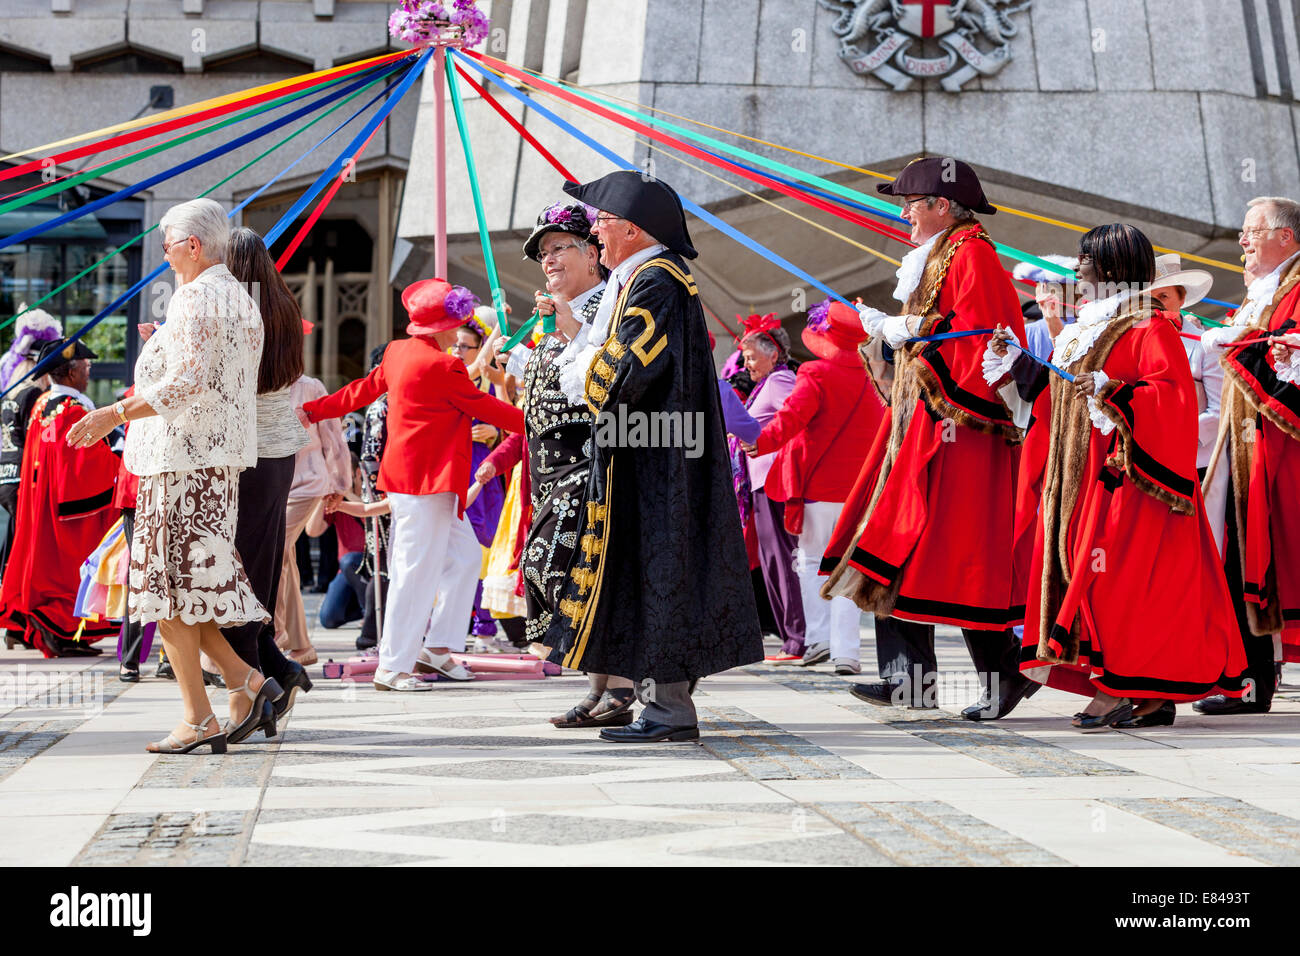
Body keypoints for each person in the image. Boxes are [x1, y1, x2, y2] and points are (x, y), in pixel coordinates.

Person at [989, 224, 1247, 730]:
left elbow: (1171, 399)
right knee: (1086, 578)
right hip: (1076, 476)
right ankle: (1133, 691)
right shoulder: (1092, 325)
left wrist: (1117, 394)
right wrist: (1020, 364)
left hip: (1125, 478)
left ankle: (1125, 688)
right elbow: (1063, 397)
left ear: (1108, 266)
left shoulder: (1146, 325)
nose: (1077, 269)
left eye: (1085, 260)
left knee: (1118, 585)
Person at [538, 170, 764, 743]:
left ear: (633, 229)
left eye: (602, 223)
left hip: (660, 455)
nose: (597, 232)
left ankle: (668, 711)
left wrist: (583, 370)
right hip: (647, 449)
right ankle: (652, 704)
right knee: (648, 572)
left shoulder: (657, 280)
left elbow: (625, 370)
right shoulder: (642, 276)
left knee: (665, 570)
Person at [820, 157, 1036, 720]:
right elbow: (947, 330)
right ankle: (906, 678)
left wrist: (912, 335)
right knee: (900, 542)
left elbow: (987, 341)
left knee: (955, 553)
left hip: (958, 429)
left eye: (911, 203)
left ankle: (1002, 669)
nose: (903, 214)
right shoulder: (945, 253)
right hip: (922, 423)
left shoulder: (973, 254)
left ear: (941, 206)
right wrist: (895, 334)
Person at [65, 198, 277, 754]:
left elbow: (190, 384)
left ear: (193, 245)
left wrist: (114, 412)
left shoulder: (200, 296)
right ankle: (246, 682)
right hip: (204, 462)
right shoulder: (234, 296)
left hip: (183, 462)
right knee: (184, 596)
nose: (162, 255)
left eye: (166, 244)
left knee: (163, 595)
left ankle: (201, 715)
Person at [298, 278, 525, 691]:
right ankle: (394, 665)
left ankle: (435, 649)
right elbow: (488, 407)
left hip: (413, 481)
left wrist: (313, 410)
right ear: (441, 327)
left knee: (463, 559)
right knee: (414, 573)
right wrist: (544, 422)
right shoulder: (443, 365)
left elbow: (359, 392)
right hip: (428, 485)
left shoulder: (398, 353)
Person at [484, 200, 627, 725]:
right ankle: (601, 687)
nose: (548, 260)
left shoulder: (606, 310)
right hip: (547, 473)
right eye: (542, 252)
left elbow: (608, 377)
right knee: (565, 573)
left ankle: (624, 684)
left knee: (570, 569)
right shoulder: (552, 318)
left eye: (559, 248)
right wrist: (515, 360)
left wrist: (571, 331)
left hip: (588, 468)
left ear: (593, 255)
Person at [1196, 196, 1300, 715]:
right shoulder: (1266, 289)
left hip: (1280, 448)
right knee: (1242, 559)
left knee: (1262, 559)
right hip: (1247, 444)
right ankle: (1249, 679)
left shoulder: (1297, 286)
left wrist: (1253, 345)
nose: (1241, 240)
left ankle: (1253, 681)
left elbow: (1290, 353)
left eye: (1251, 231)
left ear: (1286, 236)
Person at [741, 299, 884, 675]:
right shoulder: (874, 375)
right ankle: (846, 653)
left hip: (818, 487)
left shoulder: (816, 373)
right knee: (848, 567)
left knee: (811, 562)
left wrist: (760, 442)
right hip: (859, 491)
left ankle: (818, 639)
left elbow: (791, 418)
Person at [221, 226, 314, 719]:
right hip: (278, 449)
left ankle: (252, 684)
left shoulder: (237, 307)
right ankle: (275, 666)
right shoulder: (283, 305)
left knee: (236, 572)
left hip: (245, 449)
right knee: (258, 562)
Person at [0, 339, 121, 657]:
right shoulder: (72, 411)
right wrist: (123, 468)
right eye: (85, 367)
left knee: (40, 566)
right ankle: (60, 632)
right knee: (63, 572)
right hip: (66, 509)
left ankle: (49, 631)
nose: (89, 373)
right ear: (69, 372)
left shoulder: (43, 405)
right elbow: (87, 462)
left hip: (42, 501)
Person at [719, 316, 804, 665]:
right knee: (772, 561)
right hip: (760, 482)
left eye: (751, 356)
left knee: (783, 560)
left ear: (773, 354)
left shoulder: (781, 380)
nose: (746, 364)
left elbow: (796, 416)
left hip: (774, 480)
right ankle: (791, 637)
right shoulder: (763, 385)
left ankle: (797, 639)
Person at [1146, 254, 1226, 553]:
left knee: (1199, 545)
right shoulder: (1136, 340)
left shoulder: (1203, 343)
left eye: (1164, 295)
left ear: (1181, 298)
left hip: (1198, 461)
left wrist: (1179, 440)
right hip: (1149, 460)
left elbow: (1219, 410)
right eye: (1149, 297)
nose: (1156, 303)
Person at [276, 372, 351, 667]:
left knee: (274, 549)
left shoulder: (310, 387)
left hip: (306, 483)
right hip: (269, 488)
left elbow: (334, 439)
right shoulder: (255, 381)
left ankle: (275, 631)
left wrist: (340, 484)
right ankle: (300, 644)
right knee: (284, 557)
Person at [0, 305, 62, 586]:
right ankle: (16, 595)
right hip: (21, 477)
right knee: (23, 542)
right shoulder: (33, 396)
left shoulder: (11, 394)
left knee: (15, 536)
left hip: (5, 475)